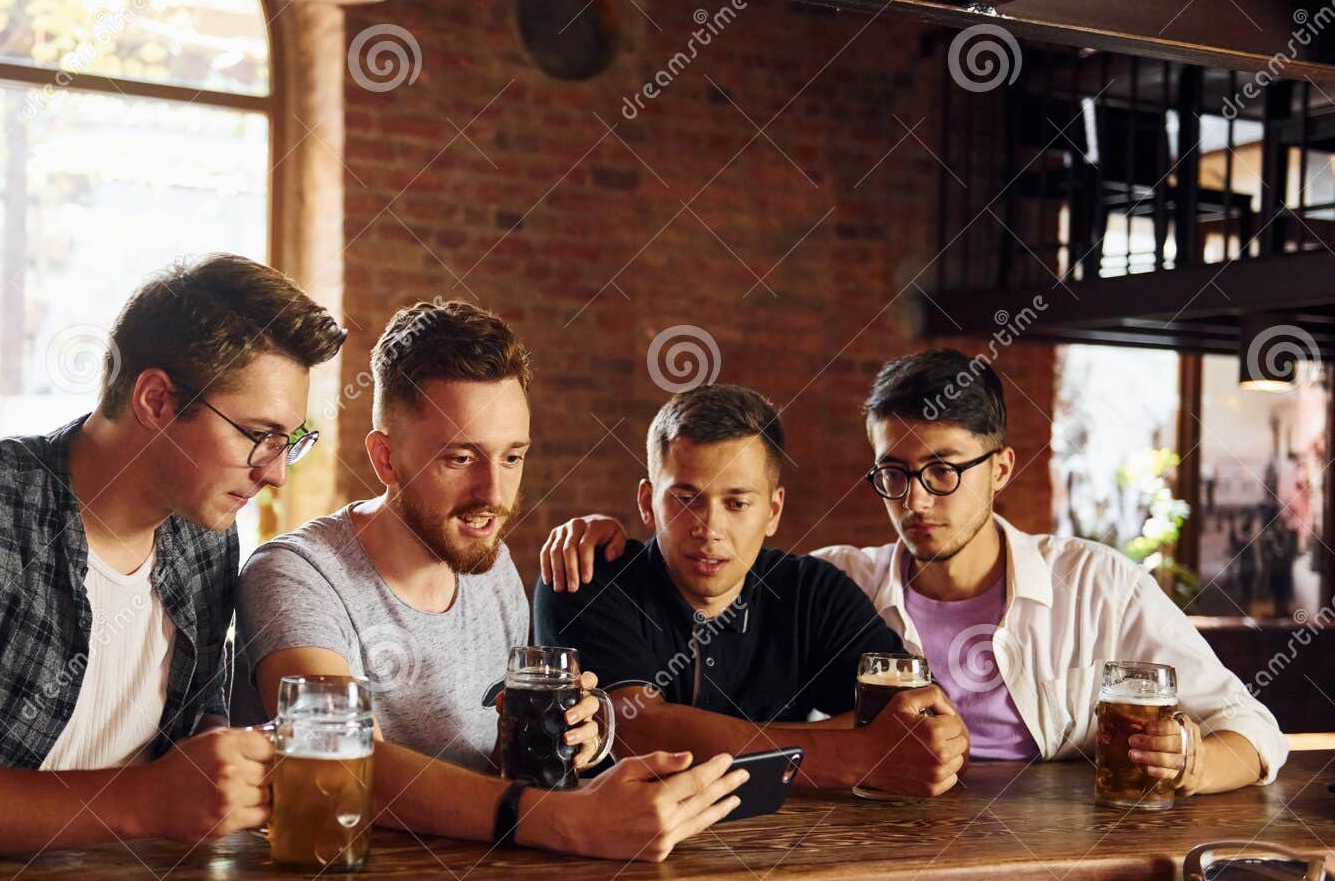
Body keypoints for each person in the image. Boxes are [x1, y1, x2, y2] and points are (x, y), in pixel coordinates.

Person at [0, 255, 345, 856]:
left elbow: (192, 718)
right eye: (259, 435)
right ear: (155, 399)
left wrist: (218, 769)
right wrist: (143, 801)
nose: (277, 472)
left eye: (291, 441)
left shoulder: (206, 535)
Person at [543, 351, 1288, 793]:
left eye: (941, 471)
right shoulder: (840, 577)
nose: (915, 499)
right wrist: (857, 754)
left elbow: (1254, 728)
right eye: (894, 473)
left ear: (1000, 467)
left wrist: (1187, 760)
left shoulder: (1098, 584)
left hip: (1065, 859)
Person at [232, 301, 747, 861]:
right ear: (384, 458)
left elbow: (499, 756)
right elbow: (353, 767)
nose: (494, 496)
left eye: (512, 457)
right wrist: (562, 818)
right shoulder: (295, 573)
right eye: (460, 458)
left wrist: (581, 733)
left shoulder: (491, 565)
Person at [533, 384, 970, 799]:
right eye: (686, 499)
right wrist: (863, 753)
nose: (710, 530)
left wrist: (725, 740)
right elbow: (634, 732)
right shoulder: (586, 575)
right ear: (648, 503)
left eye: (737, 503)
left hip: (794, 853)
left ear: (773, 509)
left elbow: (924, 730)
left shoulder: (811, 591)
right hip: (615, 857)